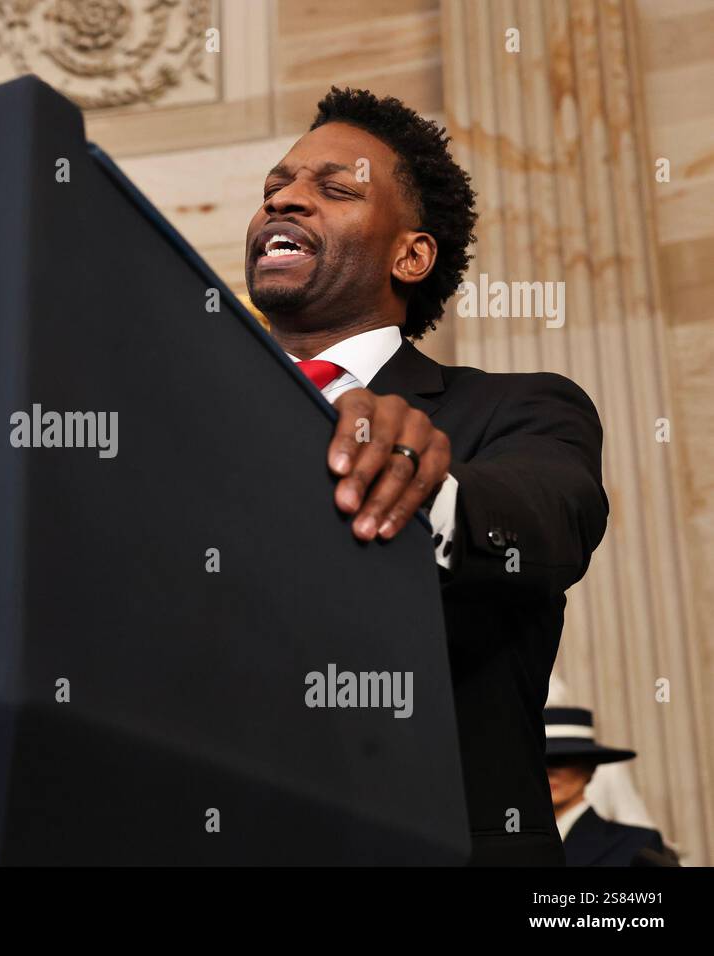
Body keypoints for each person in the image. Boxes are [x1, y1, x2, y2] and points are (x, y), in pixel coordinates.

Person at [245, 87, 609, 865]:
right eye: (276, 188)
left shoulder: (513, 407)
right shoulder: (188, 415)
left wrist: (421, 491)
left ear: (411, 255)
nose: (287, 200)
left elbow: (554, 513)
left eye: (335, 188)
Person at [544, 707, 676, 866]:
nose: (549, 772)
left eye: (562, 760)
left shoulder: (637, 844)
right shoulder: (513, 844)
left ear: (590, 768)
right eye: (538, 762)